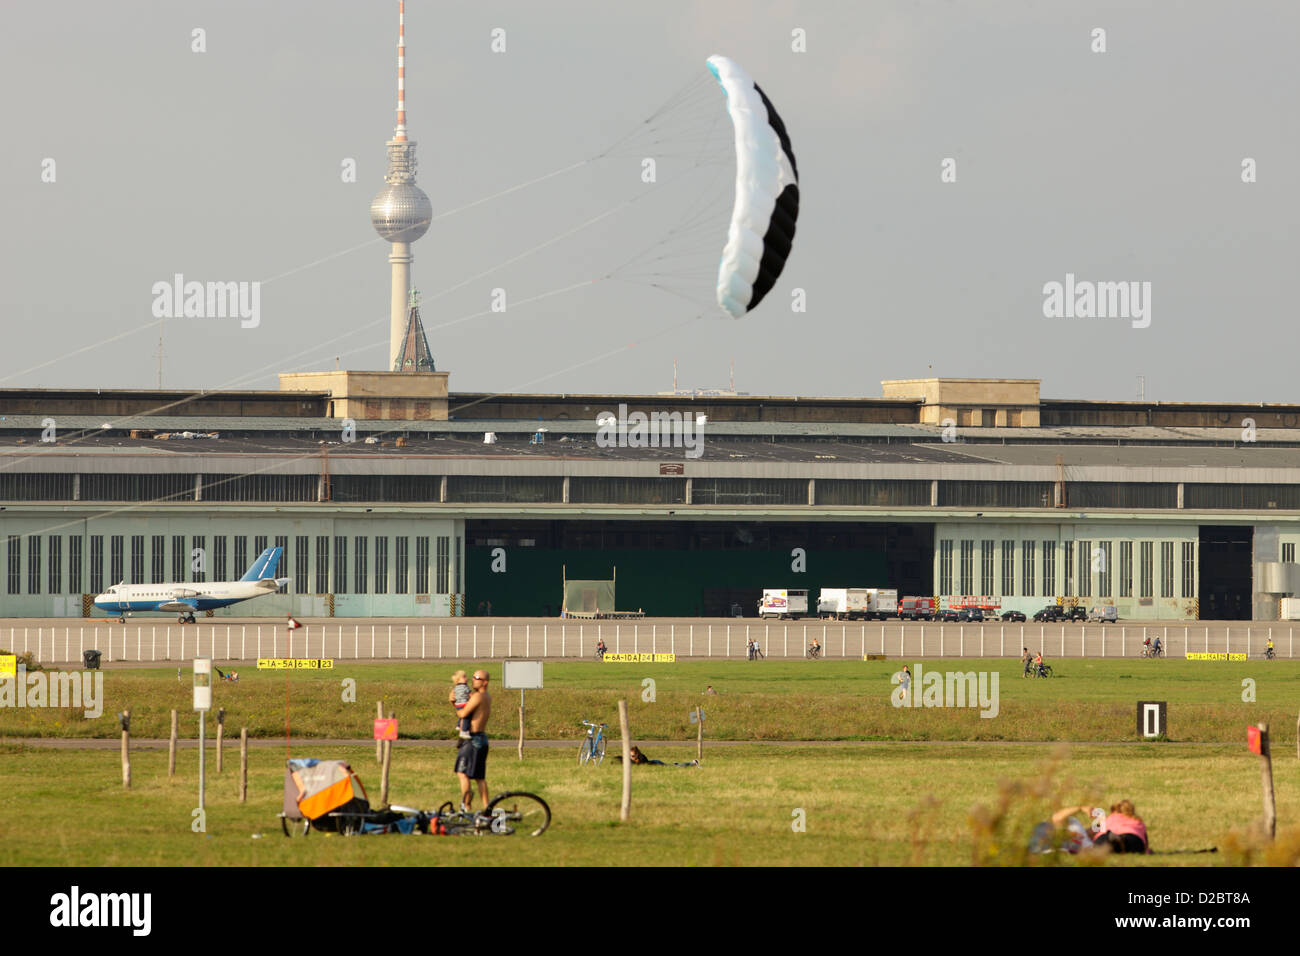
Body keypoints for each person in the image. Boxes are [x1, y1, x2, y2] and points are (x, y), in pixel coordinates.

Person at [454, 670, 492, 816]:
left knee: (462, 772)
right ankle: (487, 807)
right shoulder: (486, 697)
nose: (473, 680)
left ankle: (466, 805)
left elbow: (463, 713)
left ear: (485, 682)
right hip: (482, 739)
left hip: (472, 739)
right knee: (479, 777)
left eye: (477, 678)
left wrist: (455, 704)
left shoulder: (478, 697)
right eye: (473, 677)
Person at [449, 670, 472, 739]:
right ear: (459, 679)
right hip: (464, 703)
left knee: (461, 715)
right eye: (464, 677)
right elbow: (470, 694)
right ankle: (464, 731)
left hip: (458, 704)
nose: (466, 678)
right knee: (466, 716)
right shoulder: (465, 687)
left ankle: (458, 725)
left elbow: (452, 697)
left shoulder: (456, 687)